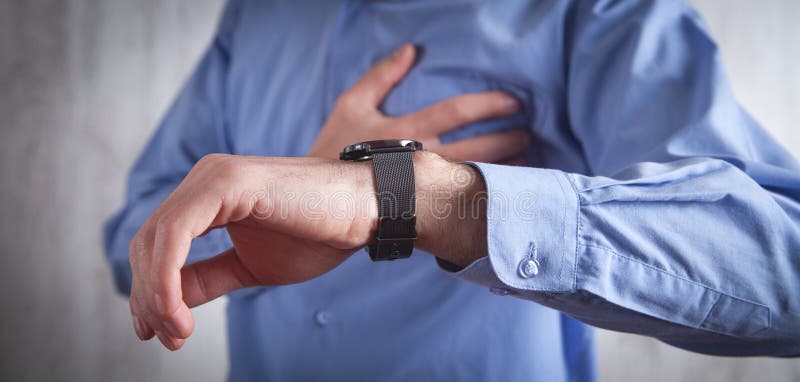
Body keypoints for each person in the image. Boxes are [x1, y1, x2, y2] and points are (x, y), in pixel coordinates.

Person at [104, 0, 800, 380]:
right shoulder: (256, 17)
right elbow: (136, 235)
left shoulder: (590, 13)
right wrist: (286, 189)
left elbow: (783, 266)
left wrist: (405, 196)